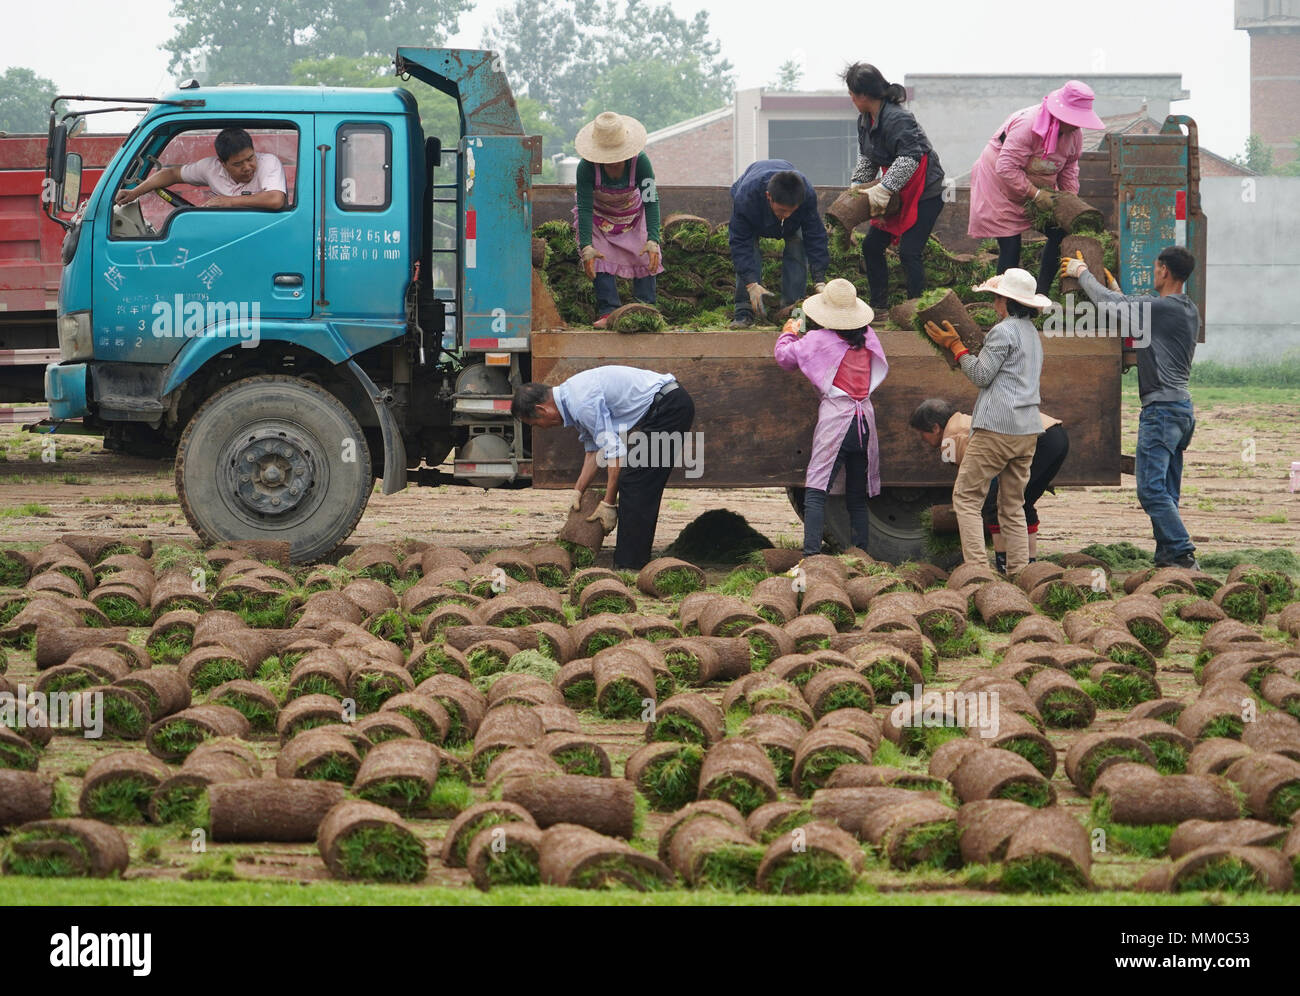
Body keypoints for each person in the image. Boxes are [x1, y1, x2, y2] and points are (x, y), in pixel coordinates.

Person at [1063, 245, 1200, 568]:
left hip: (1162, 412)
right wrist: (1115, 289)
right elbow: (1132, 313)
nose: (1154, 273)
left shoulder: (1164, 308)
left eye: (1155, 268)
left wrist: (1081, 273)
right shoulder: (1187, 308)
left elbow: (1113, 307)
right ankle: (1168, 559)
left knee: (1150, 491)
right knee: (1166, 490)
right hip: (1180, 410)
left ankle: (1182, 552)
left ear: (1164, 271)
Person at [924, 267, 1047, 576]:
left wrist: (956, 347)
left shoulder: (1003, 331)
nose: (994, 303)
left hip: (997, 428)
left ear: (1006, 302)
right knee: (1012, 505)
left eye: (996, 298)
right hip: (1027, 430)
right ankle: (1020, 573)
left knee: (966, 498)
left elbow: (981, 375)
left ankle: (977, 570)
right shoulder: (1032, 334)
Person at [512, 366, 694, 570]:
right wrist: (578, 491)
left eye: (536, 424)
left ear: (542, 410)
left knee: (635, 483)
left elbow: (615, 453)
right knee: (635, 481)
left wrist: (608, 504)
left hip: (670, 408)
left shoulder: (581, 403)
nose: (541, 428)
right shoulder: (572, 400)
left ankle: (630, 566)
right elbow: (593, 452)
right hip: (664, 408)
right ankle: (630, 562)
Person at [968, 81, 1104, 294]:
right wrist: (1035, 193)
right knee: (1011, 246)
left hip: (1039, 187)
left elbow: (1069, 169)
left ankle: (1041, 295)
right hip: (999, 183)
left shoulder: (1074, 135)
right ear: (1061, 115)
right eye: (1074, 120)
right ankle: (1007, 304)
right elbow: (1005, 167)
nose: (1077, 125)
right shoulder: (1028, 125)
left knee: (1060, 231)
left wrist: (1068, 203)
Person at [909, 398, 1069, 574]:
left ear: (935, 428)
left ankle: (1002, 566)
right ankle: (1027, 566)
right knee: (1021, 503)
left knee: (995, 502)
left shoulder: (952, 437)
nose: (921, 439)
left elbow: (973, 477)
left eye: (921, 433)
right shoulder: (964, 421)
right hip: (1054, 436)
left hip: (1039, 439)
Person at [842, 63, 946, 311]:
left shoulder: (899, 118)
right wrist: (858, 184)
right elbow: (868, 157)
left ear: (864, 95)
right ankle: (879, 307)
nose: (851, 98)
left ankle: (917, 310)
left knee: (910, 252)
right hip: (897, 191)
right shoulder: (864, 120)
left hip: (924, 192)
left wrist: (884, 188)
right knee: (871, 246)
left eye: (852, 94)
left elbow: (910, 157)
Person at [572, 111, 664, 329]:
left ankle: (646, 309)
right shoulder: (585, 168)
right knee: (598, 256)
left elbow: (651, 201)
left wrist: (653, 239)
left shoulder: (641, 162)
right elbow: (584, 208)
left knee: (646, 255)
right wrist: (585, 246)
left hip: (632, 214)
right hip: (599, 218)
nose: (612, 164)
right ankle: (608, 311)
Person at [728, 160, 829, 328]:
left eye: (792, 210)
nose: (787, 215)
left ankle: (793, 310)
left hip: (791, 219)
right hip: (755, 211)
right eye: (782, 210)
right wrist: (751, 283)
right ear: (769, 197)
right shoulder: (746, 197)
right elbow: (739, 243)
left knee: (798, 244)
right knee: (750, 249)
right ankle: (744, 312)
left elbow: (815, 234)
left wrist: (819, 279)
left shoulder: (807, 195)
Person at [114, 127, 287, 210]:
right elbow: (171, 174)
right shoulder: (210, 168)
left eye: (250, 158)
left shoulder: (268, 163)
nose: (248, 167)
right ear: (222, 163)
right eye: (238, 164)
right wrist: (134, 192)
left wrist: (229, 201)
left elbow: (275, 199)